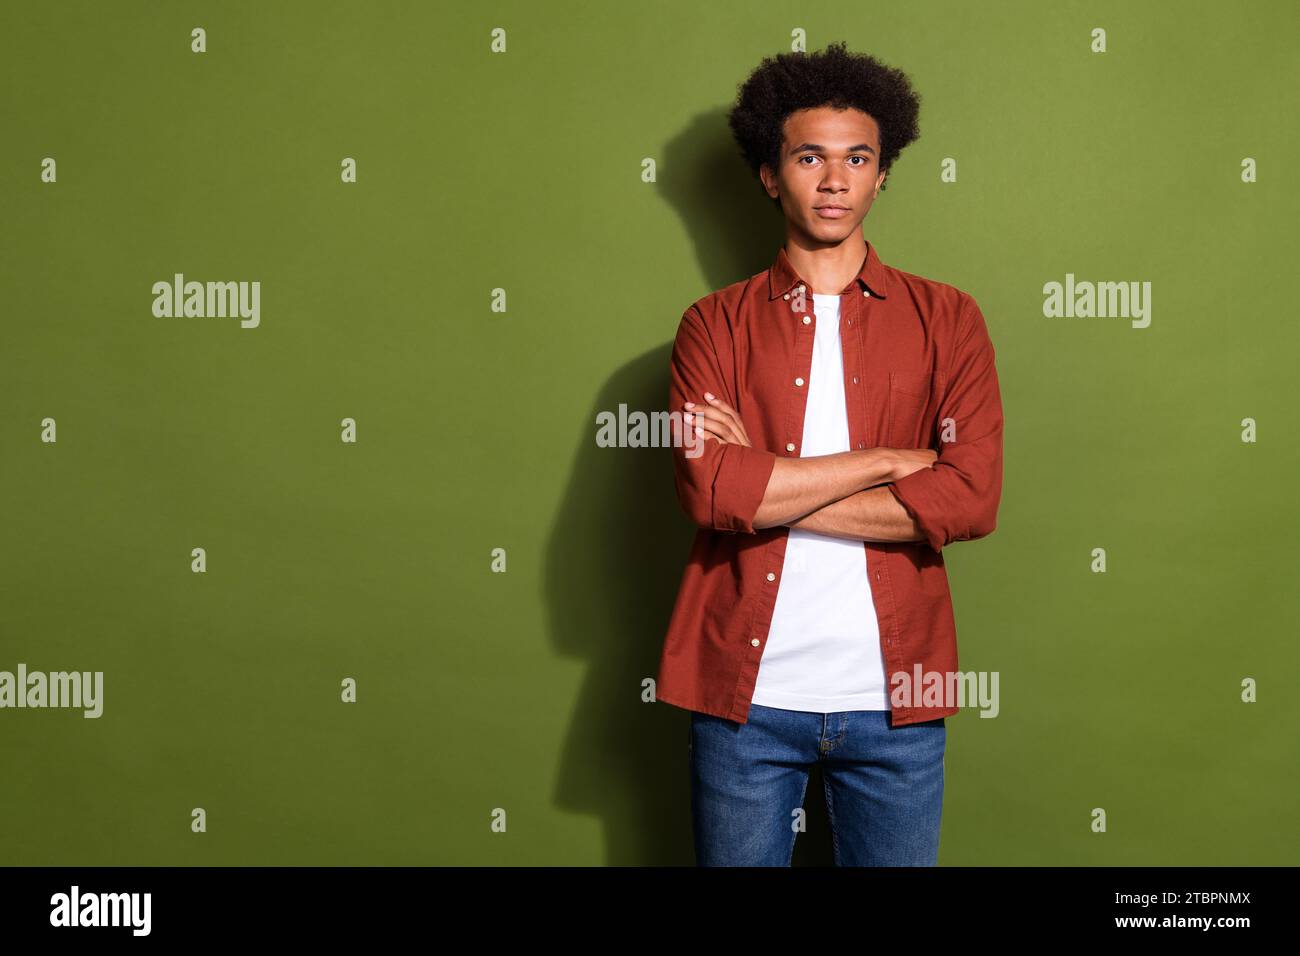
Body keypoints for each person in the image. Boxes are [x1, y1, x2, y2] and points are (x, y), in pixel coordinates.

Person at [656, 41, 1004, 866]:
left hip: (897, 700)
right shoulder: (714, 325)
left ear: (883, 174)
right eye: (810, 157)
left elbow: (971, 500)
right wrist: (888, 459)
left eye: (859, 159)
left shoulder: (949, 319)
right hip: (745, 701)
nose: (836, 180)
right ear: (771, 174)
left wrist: (767, 486)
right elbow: (709, 497)